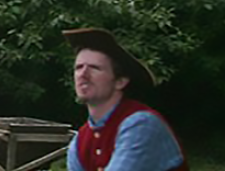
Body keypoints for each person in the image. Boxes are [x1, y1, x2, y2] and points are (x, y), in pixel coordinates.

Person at [63, 27, 188, 171]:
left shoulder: (141, 124)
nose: (83, 74)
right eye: (78, 67)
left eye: (94, 68)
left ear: (120, 82)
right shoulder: (80, 141)